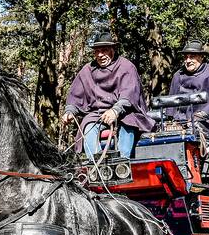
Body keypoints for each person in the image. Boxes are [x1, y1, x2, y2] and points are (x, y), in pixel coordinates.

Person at [63, 31, 154, 160]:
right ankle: (96, 164)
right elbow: (76, 96)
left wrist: (115, 110)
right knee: (87, 125)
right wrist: (70, 111)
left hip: (125, 113)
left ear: (113, 50)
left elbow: (129, 95)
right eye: (97, 51)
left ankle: (122, 163)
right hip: (97, 115)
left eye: (104, 50)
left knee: (129, 123)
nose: (100, 55)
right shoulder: (87, 70)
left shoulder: (127, 67)